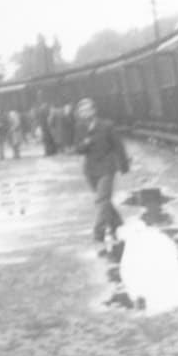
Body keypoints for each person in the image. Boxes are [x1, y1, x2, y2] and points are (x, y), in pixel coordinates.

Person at [74, 97, 129, 246]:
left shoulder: (106, 126)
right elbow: (77, 149)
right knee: (103, 200)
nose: (85, 113)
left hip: (106, 168)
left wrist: (123, 165)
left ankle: (99, 232)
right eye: (82, 111)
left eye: (87, 110)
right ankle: (116, 222)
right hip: (90, 170)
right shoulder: (80, 128)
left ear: (94, 110)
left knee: (101, 200)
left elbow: (118, 146)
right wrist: (84, 144)